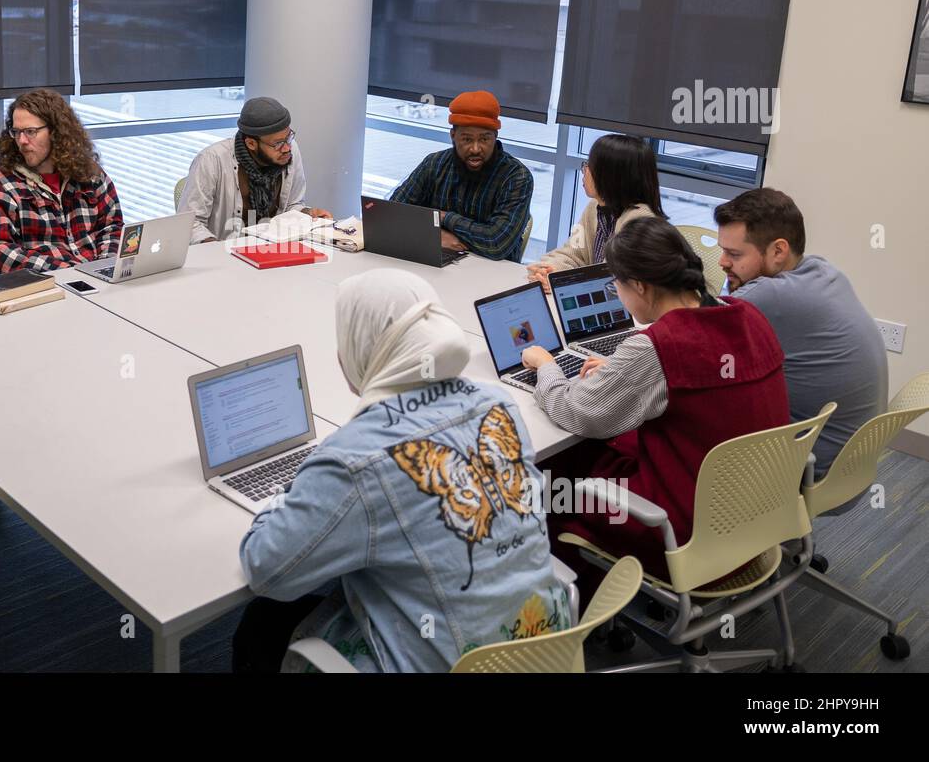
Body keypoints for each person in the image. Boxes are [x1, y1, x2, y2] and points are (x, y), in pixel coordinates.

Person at [234, 269, 568, 672]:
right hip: (544, 649)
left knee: (262, 620)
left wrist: (284, 495)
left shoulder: (356, 458)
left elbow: (267, 570)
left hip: (448, 661)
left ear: (358, 350)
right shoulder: (497, 405)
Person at [519, 218, 788, 589]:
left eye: (616, 286)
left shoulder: (655, 348)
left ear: (641, 287)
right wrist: (622, 370)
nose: (617, 295)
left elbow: (576, 412)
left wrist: (547, 368)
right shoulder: (748, 317)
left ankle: (576, 607)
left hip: (682, 532)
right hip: (753, 515)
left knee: (551, 477)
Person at [715, 188, 886, 480]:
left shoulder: (768, 295)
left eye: (734, 253)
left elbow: (683, 337)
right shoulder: (821, 269)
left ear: (778, 251)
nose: (721, 262)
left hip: (808, 468)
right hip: (852, 464)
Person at [0, 88, 123, 273]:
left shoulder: (90, 174)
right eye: (16, 132)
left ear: (55, 132)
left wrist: (104, 267)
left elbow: (112, 227)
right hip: (45, 287)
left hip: (97, 279)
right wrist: (66, 271)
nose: (22, 140)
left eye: (30, 131)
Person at [388, 90, 533, 260]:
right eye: (467, 139)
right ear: (453, 136)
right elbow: (392, 213)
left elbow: (496, 244)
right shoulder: (435, 164)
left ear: (495, 137)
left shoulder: (516, 177)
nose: (476, 149)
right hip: (435, 258)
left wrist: (443, 217)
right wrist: (437, 236)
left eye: (485, 139)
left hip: (492, 272)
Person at [177, 96, 331, 243]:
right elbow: (190, 224)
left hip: (273, 250)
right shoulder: (211, 160)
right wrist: (215, 250)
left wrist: (308, 214)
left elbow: (291, 206)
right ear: (251, 143)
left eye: (289, 137)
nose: (286, 148)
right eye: (277, 143)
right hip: (226, 253)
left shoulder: (289, 151)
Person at [527, 133, 665, 290]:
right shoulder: (595, 207)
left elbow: (614, 280)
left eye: (589, 165)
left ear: (610, 176)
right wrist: (549, 270)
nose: (584, 170)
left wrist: (561, 281)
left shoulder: (640, 223)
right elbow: (572, 253)